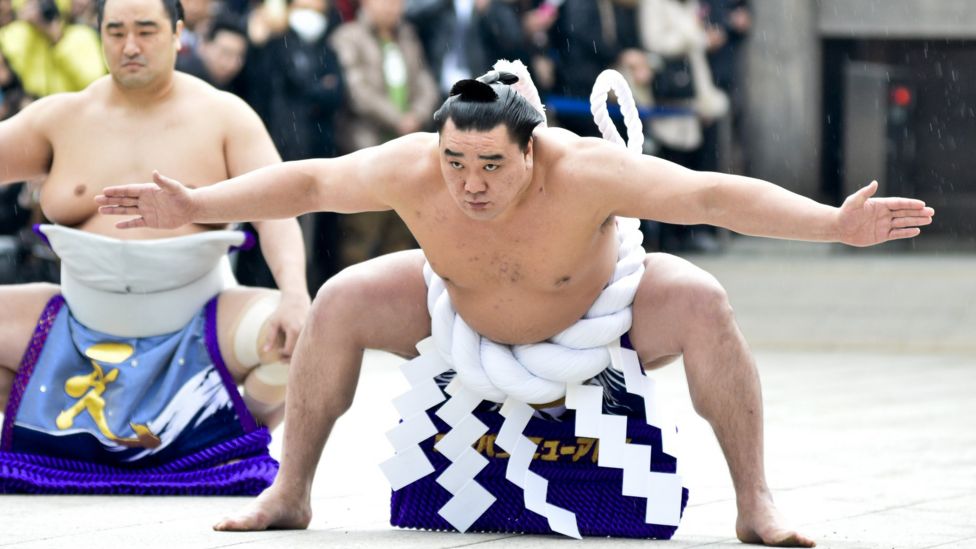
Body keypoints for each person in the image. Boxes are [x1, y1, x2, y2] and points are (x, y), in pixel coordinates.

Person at [97, 67, 934, 546]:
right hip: (458, 308)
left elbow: (711, 194)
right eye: (456, 159)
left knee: (706, 300)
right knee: (345, 295)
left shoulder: (589, 171)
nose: (469, 183)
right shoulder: (416, 168)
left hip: (602, 314)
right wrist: (200, 204)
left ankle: (755, 502)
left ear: (532, 150)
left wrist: (833, 224)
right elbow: (312, 181)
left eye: (491, 165)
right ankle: (291, 491)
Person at [0, 0, 310, 491]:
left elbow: (278, 212)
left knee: (302, 337)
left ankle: (219, 440)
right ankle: (60, 437)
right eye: (116, 31)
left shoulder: (225, 115)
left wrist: (295, 292)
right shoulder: (59, 118)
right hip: (78, 315)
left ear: (178, 34)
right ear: (98, 35)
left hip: (198, 313)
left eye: (146, 30)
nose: (130, 46)